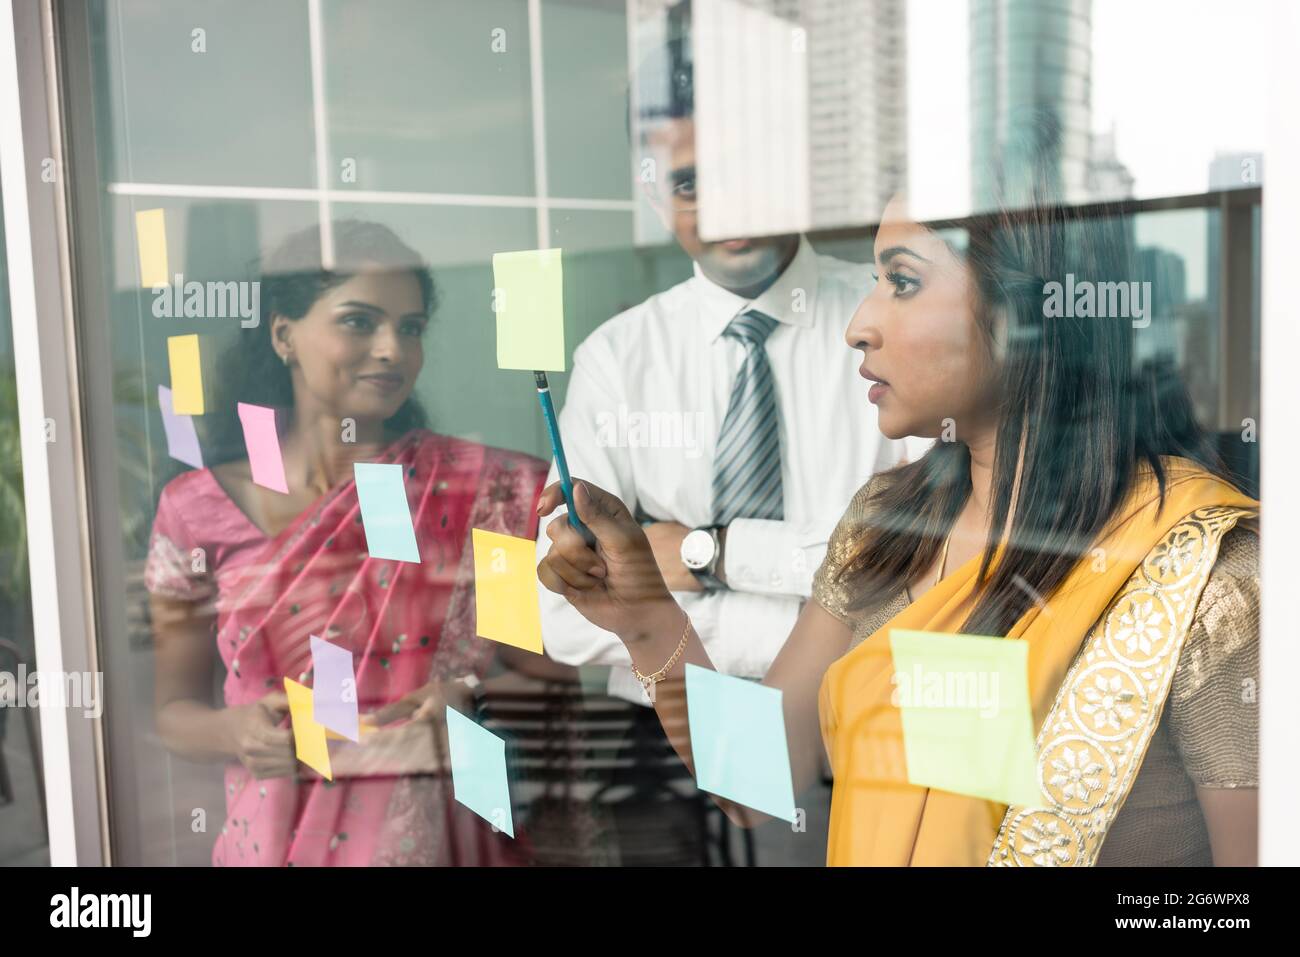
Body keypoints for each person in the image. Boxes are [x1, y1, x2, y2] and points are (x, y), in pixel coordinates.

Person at [537, 163, 1261, 866]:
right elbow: (756, 780)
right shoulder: (888, 525)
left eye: (903, 282)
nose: (858, 324)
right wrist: (646, 618)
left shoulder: (1204, 574)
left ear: (1028, 314)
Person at [146, 221, 548, 866]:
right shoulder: (197, 510)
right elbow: (173, 711)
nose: (392, 349)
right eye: (360, 322)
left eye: (410, 328)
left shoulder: (487, 492)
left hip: (445, 829)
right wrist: (235, 730)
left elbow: (550, 675)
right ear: (284, 335)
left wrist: (470, 695)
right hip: (276, 833)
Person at [536, 12, 906, 708]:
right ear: (653, 193)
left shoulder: (895, 319)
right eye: (689, 184)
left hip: (868, 730)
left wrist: (708, 555)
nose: (728, 209)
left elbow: (930, 563)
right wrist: (819, 602)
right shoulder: (618, 360)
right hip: (676, 753)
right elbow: (561, 615)